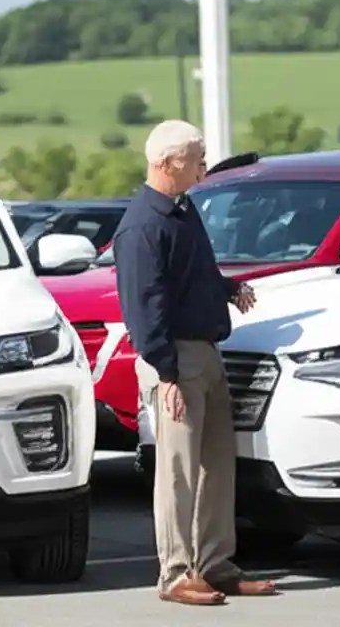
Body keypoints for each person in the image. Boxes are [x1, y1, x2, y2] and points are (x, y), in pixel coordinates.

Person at [111, 119, 277, 606]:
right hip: (175, 361)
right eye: (196, 157)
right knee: (179, 471)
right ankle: (177, 572)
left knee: (216, 467)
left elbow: (188, 275)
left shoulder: (183, 211)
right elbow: (144, 306)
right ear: (166, 163)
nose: (204, 165)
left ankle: (216, 565)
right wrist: (167, 375)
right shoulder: (143, 225)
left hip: (204, 352)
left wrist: (226, 289)